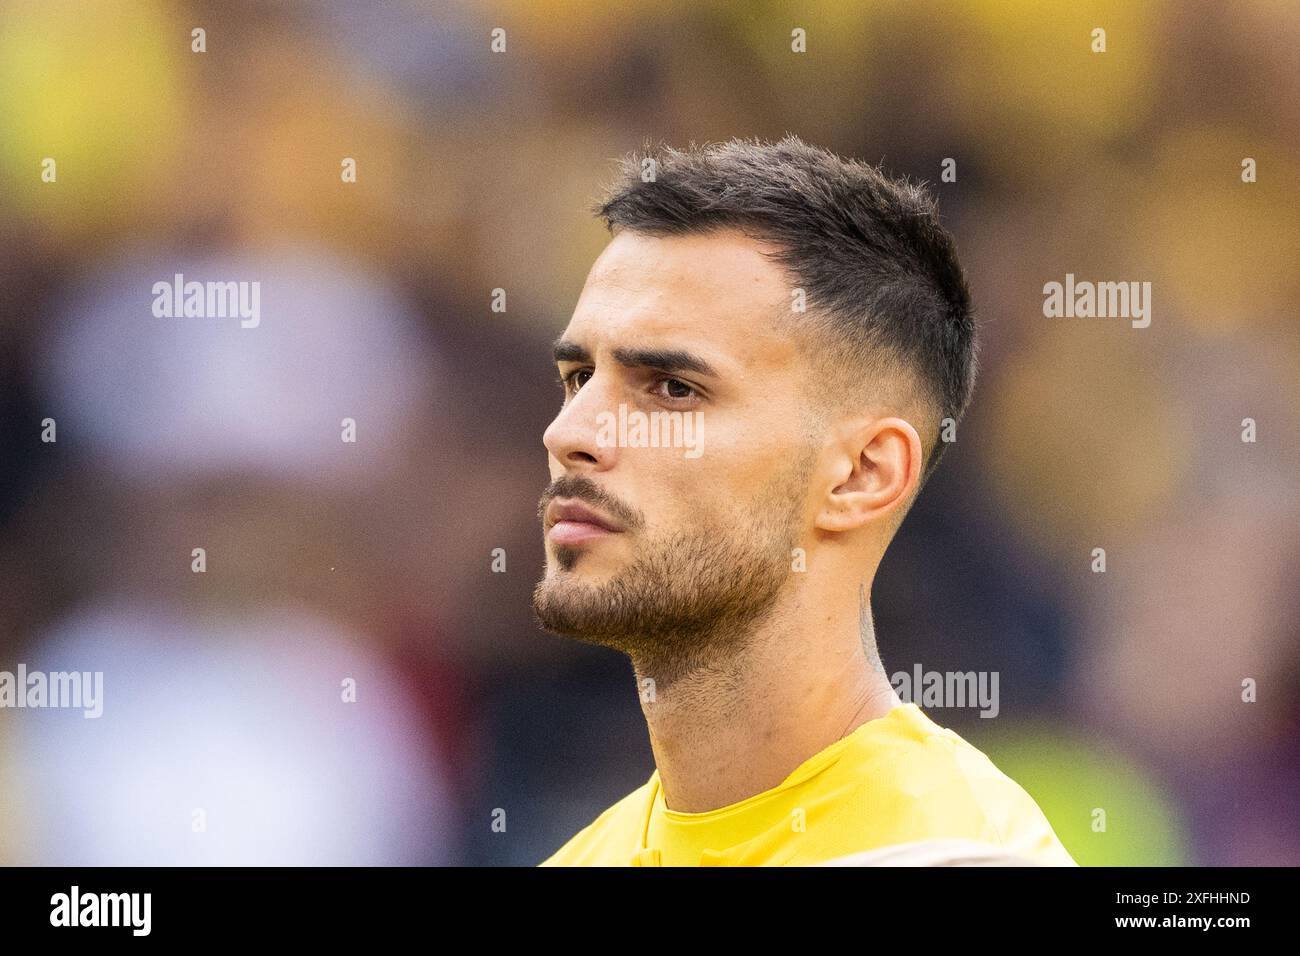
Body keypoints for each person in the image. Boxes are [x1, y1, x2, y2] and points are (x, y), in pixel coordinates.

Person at [532, 136, 1075, 866]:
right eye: (577, 378)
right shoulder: (581, 857)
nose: (569, 433)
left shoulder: (948, 855)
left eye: (672, 388)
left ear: (861, 474)